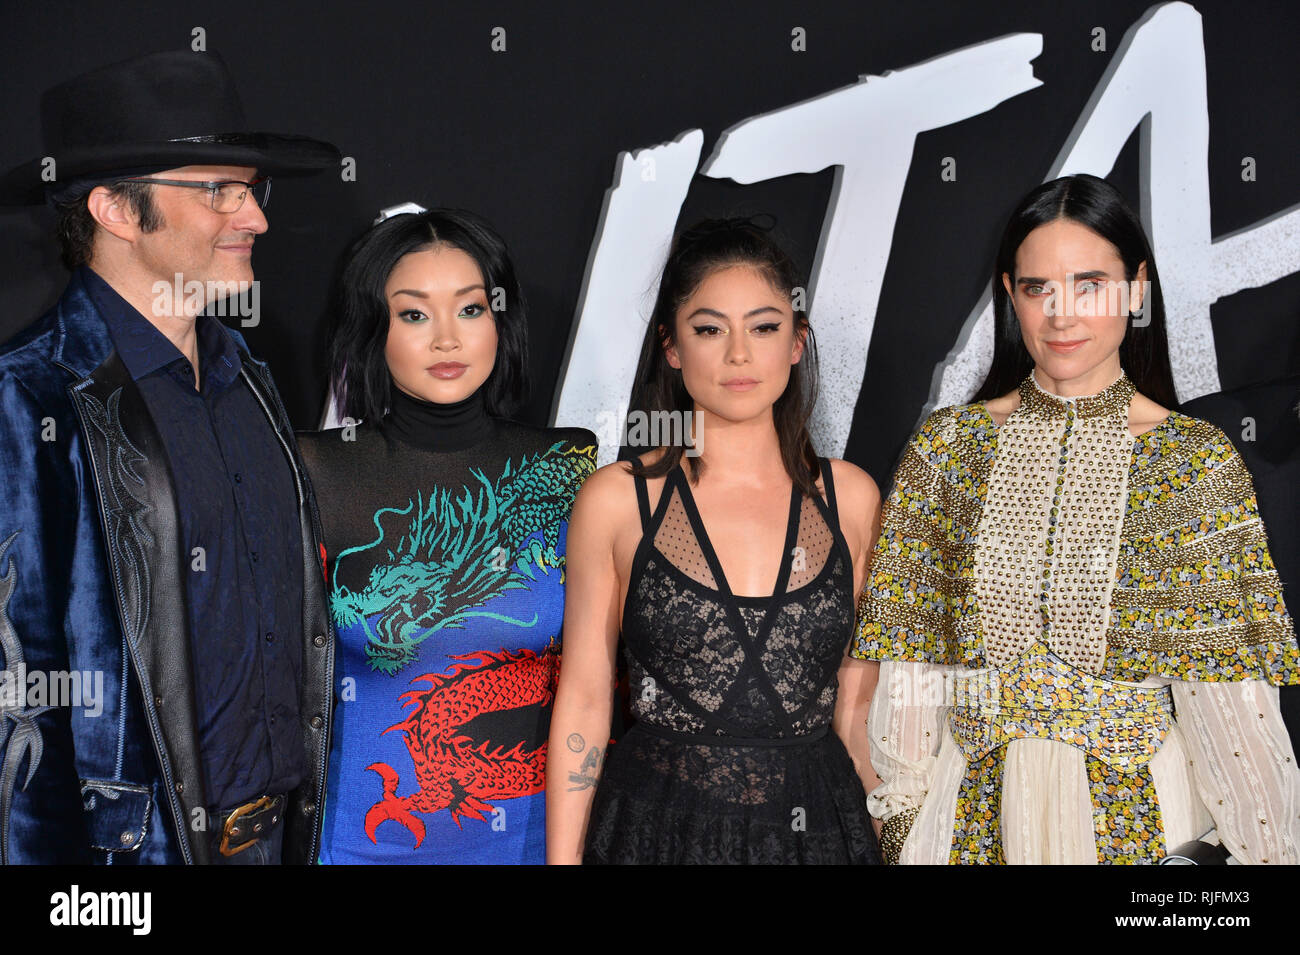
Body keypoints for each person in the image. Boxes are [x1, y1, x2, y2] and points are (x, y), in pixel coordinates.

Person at [854, 174, 1300, 864]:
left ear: (1137, 289)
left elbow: (1232, 711)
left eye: (1089, 284)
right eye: (1037, 288)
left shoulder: (1191, 462)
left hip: (1148, 835)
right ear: (1010, 294)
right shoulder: (946, 452)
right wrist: (908, 828)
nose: (1061, 315)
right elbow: (911, 678)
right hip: (966, 829)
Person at [0, 50, 340, 864]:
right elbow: (19, 701)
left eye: (252, 189)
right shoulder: (32, 393)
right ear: (116, 207)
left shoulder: (248, 377)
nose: (254, 216)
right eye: (217, 189)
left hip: (283, 838)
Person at [547, 217, 884, 864]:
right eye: (709, 329)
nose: (738, 353)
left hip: (817, 832)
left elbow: (859, 702)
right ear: (671, 346)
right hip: (657, 831)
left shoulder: (851, 498)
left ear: (796, 341)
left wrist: (883, 841)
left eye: (763, 327)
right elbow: (586, 698)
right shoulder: (618, 499)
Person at [299, 208, 597, 864]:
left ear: (500, 320)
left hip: (534, 843)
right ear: (373, 329)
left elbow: (599, 684)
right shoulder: (317, 470)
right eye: (413, 314)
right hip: (359, 841)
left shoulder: (568, 465)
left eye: (469, 309)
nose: (446, 339)